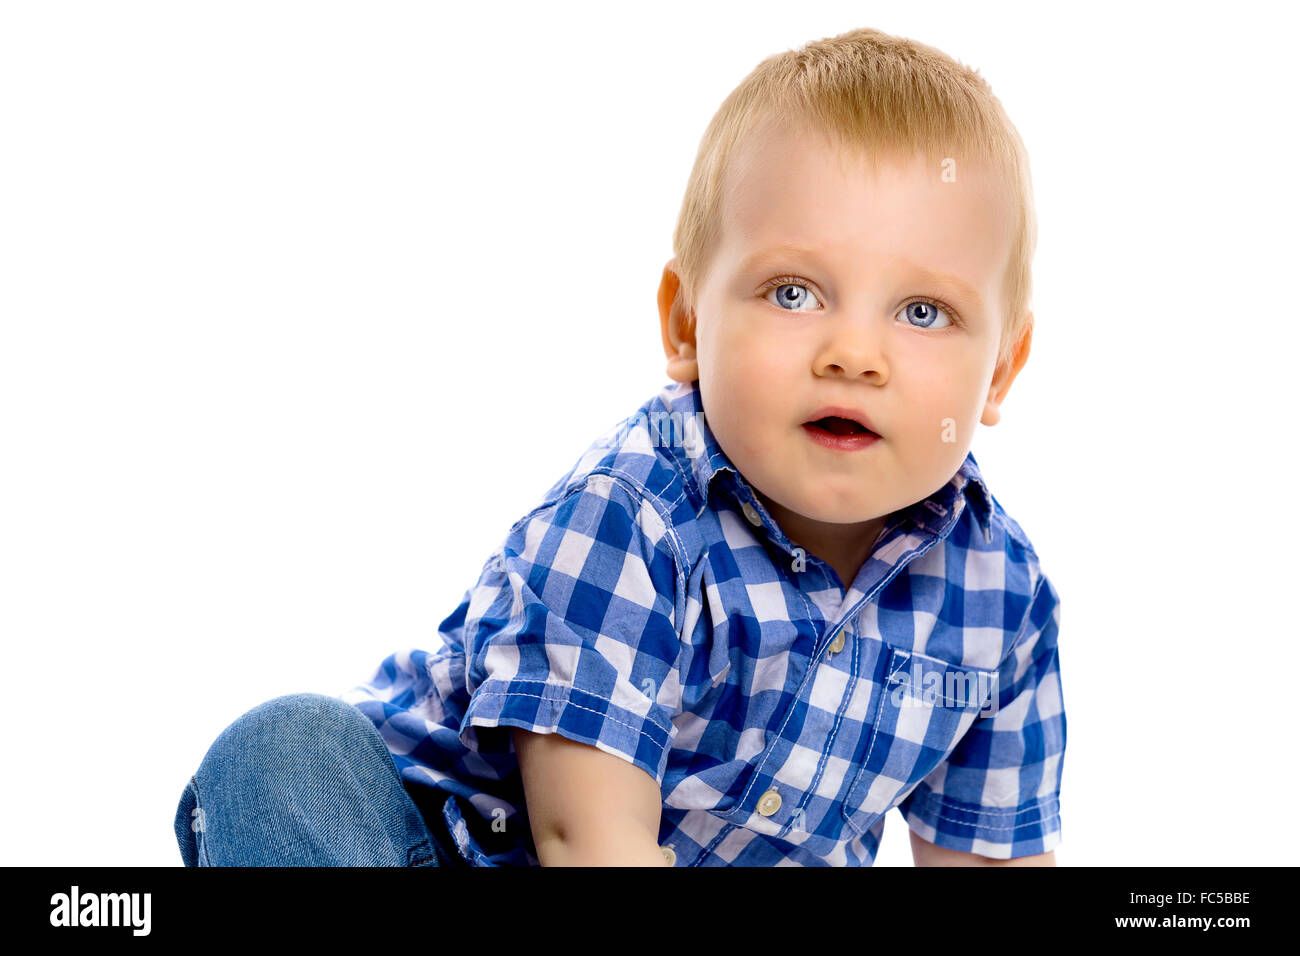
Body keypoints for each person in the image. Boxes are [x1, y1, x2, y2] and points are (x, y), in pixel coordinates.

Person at [175, 25, 1066, 867]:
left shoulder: (1001, 600)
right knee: (283, 754)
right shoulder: (635, 514)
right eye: (794, 293)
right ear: (686, 323)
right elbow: (585, 840)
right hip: (443, 840)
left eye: (923, 313)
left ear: (999, 372)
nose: (853, 355)